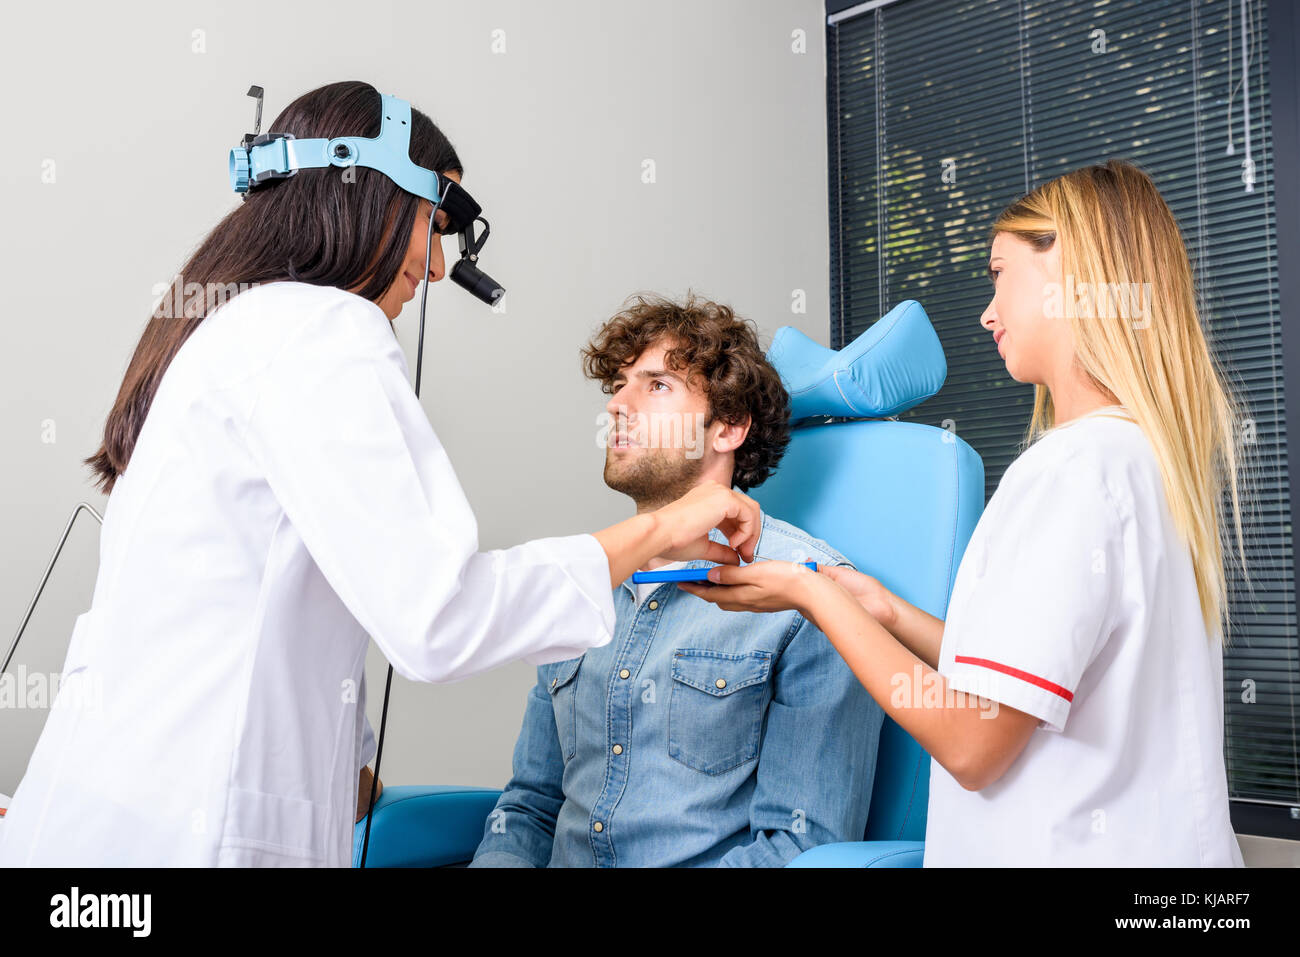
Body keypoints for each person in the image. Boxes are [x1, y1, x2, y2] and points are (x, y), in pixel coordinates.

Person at [0, 82, 759, 867]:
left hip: (98, 824)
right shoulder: (321, 328)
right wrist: (662, 527)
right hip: (188, 832)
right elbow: (440, 618)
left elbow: (269, 604)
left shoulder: (228, 331)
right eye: (436, 225)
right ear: (371, 195)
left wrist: (341, 765)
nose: (435, 267)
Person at [679, 159, 1247, 867]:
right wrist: (886, 611)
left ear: (1070, 268)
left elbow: (975, 743)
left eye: (999, 273)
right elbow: (1034, 679)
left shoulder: (1070, 472)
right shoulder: (1141, 459)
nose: (987, 311)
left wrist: (810, 592)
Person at [470, 294, 883, 867]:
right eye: (618, 384)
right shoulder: (583, 579)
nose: (617, 404)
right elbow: (530, 809)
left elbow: (801, 846)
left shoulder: (805, 599)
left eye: (656, 385)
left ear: (729, 427)